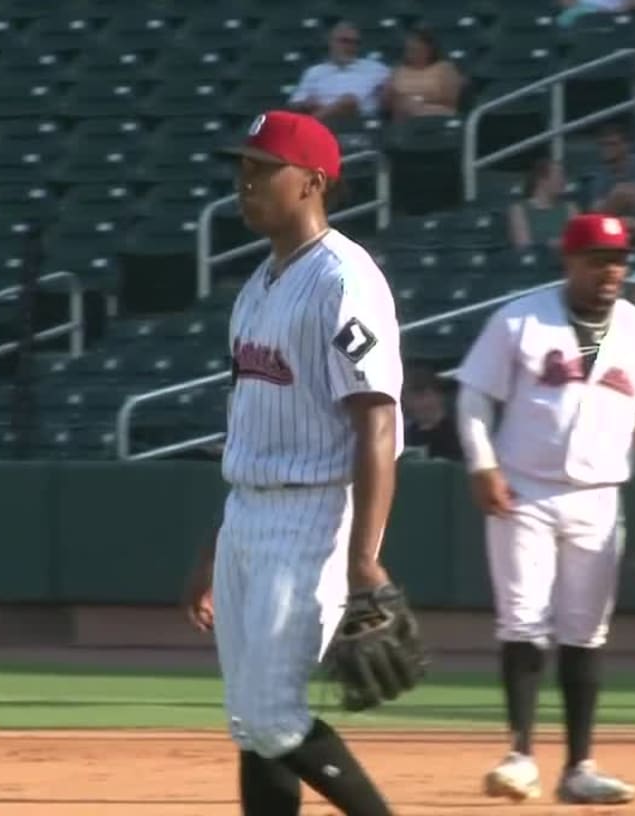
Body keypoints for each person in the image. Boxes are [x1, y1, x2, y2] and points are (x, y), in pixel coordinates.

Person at [181, 110, 408, 814]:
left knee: (277, 718)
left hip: (311, 513)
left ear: (312, 182)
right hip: (249, 512)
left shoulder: (344, 279)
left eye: (261, 169)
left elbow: (376, 420)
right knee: (253, 725)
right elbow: (251, 425)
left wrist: (365, 559)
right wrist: (216, 548)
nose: (245, 183)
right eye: (242, 169)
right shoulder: (258, 286)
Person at [455, 213, 635, 803]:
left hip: (598, 495)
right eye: (596, 258)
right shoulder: (519, 319)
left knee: (587, 630)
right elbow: (474, 395)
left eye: (617, 259)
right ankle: (520, 756)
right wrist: (482, 463)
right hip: (522, 491)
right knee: (522, 620)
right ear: (569, 261)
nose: (609, 269)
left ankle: (580, 767)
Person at [287, 20, 391, 123]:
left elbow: (395, 89)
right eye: (345, 41)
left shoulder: (375, 69)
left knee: (349, 101)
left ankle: (309, 126)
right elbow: (294, 104)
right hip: (324, 120)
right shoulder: (315, 72)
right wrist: (306, 103)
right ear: (331, 42)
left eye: (356, 42)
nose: (351, 47)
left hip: (359, 122)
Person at [382, 25, 463, 120]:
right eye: (409, 50)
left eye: (415, 50)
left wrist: (418, 100)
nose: (410, 53)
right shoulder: (398, 71)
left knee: (411, 107)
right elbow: (386, 101)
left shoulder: (444, 68)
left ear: (428, 50)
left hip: (438, 113)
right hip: (403, 115)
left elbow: (450, 99)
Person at [508, 157, 578, 251]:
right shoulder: (519, 210)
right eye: (558, 177)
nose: (563, 182)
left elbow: (579, 241)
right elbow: (523, 245)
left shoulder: (570, 208)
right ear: (542, 180)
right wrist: (550, 244)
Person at [585, 124, 635, 214]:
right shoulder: (600, 173)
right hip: (616, 221)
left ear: (626, 145)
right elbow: (596, 207)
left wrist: (618, 192)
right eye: (602, 145)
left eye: (612, 144)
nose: (606, 149)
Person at [403, 365, 464, 461]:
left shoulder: (456, 434)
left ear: (438, 396)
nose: (413, 403)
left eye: (423, 395)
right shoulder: (406, 436)